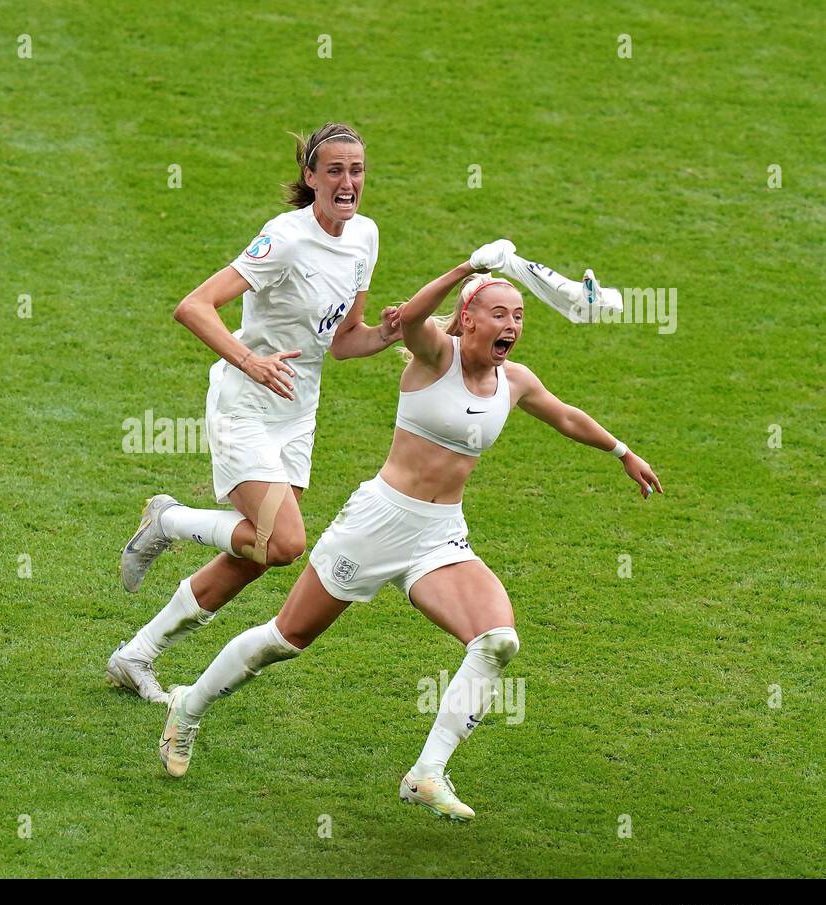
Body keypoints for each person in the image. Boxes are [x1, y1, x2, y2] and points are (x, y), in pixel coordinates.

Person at [157, 241, 663, 825]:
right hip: (375, 525)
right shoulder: (434, 355)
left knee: (497, 640)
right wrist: (468, 267)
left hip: (439, 534)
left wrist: (621, 451)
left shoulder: (514, 380)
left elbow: (566, 414)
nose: (512, 325)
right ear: (469, 318)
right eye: (500, 314)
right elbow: (414, 317)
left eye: (520, 316)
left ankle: (426, 774)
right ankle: (188, 710)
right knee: (284, 640)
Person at [109, 123, 396, 703]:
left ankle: (136, 654)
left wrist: (387, 335)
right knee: (285, 543)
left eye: (356, 170)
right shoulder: (285, 239)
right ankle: (167, 522)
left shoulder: (364, 236)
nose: (347, 182)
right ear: (310, 177)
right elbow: (194, 306)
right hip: (245, 403)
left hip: (298, 410)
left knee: (258, 554)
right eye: (334, 170)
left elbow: (343, 341)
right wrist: (249, 361)